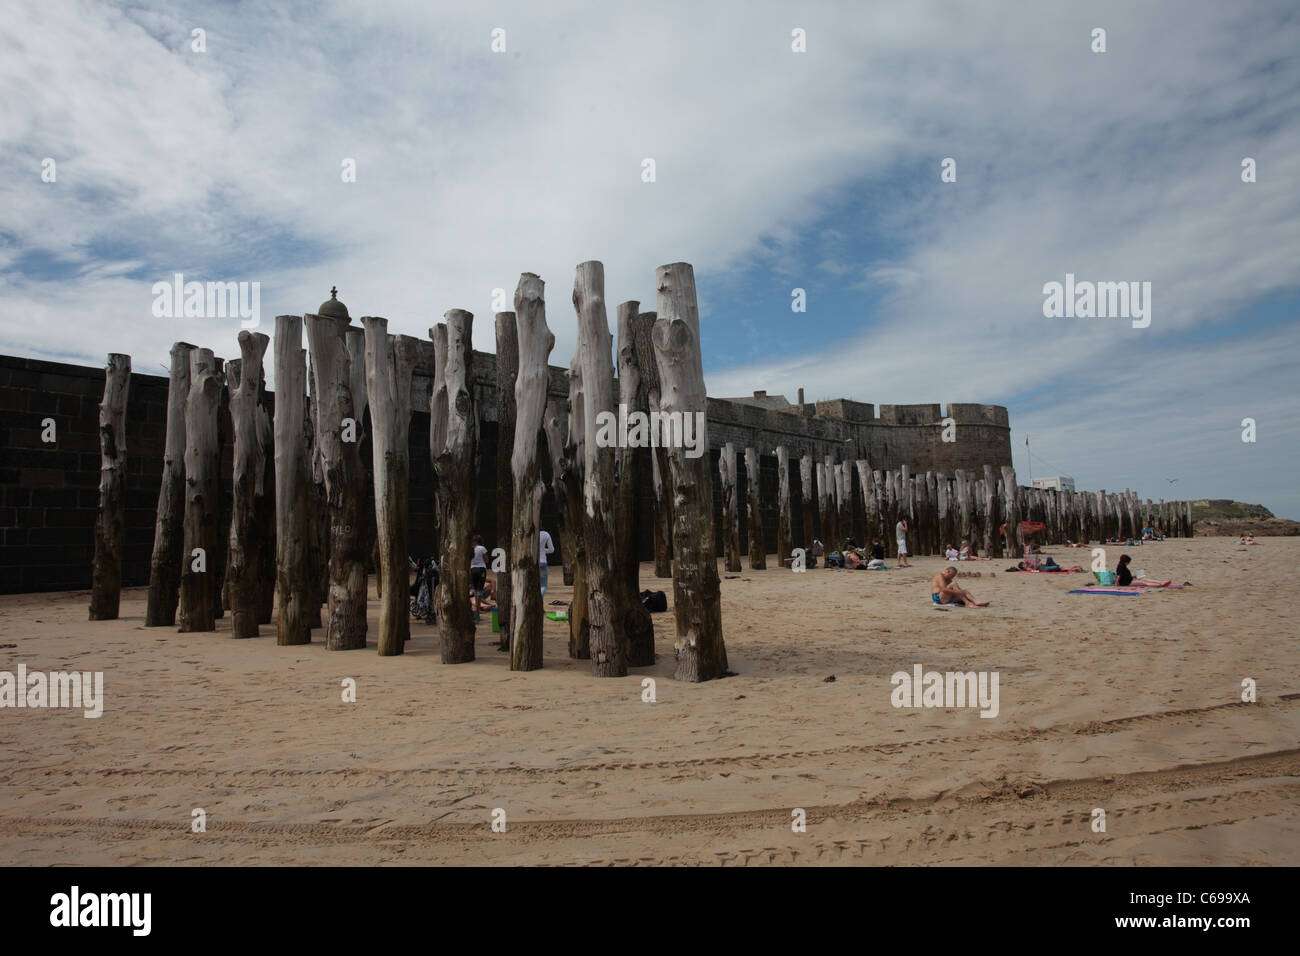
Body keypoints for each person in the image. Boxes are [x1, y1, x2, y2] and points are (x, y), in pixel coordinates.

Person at [538, 529, 555, 596]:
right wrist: (542, 549)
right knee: (543, 585)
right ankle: (540, 598)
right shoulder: (545, 534)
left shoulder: (529, 532)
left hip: (530, 562)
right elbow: (551, 550)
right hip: (542, 562)